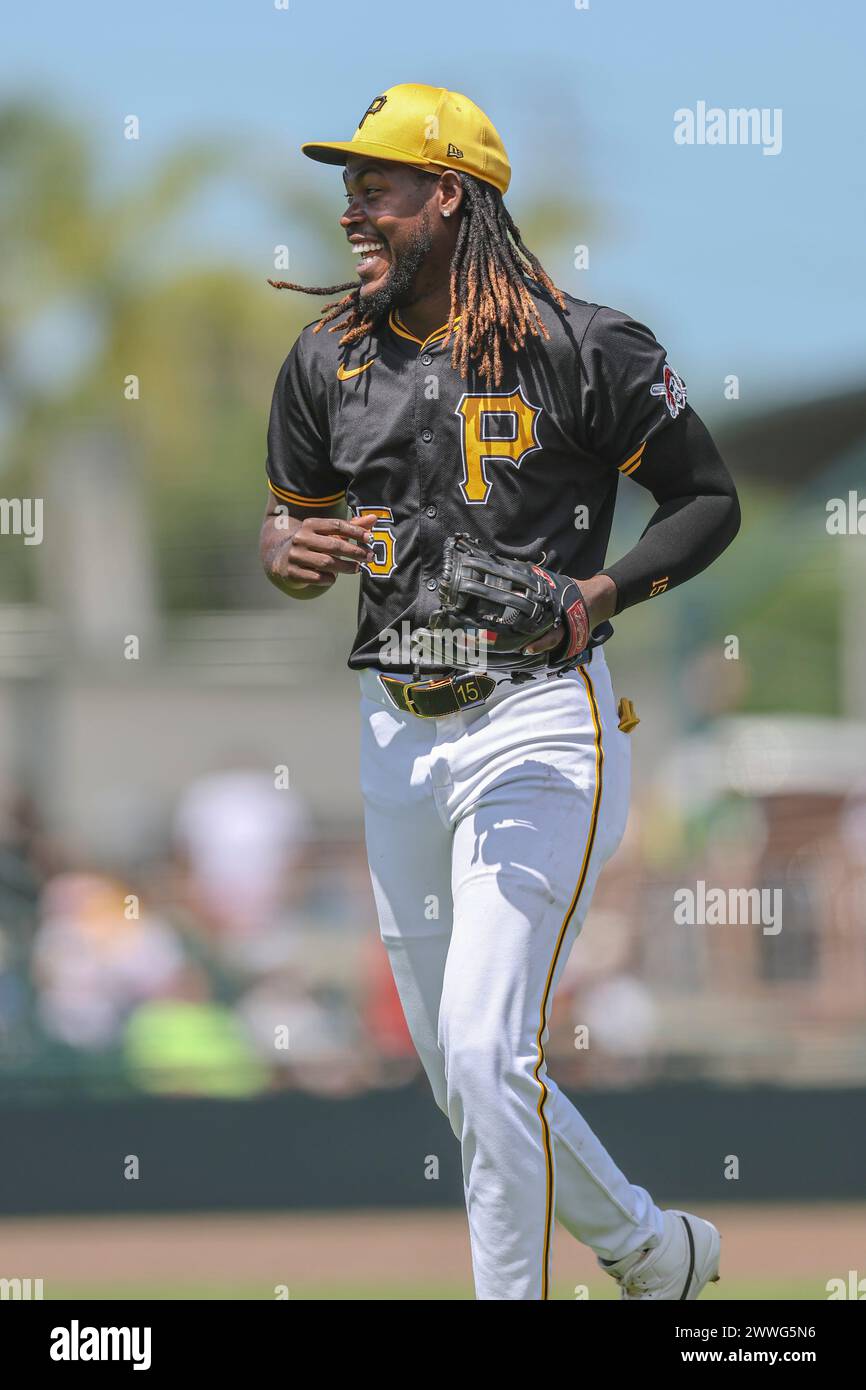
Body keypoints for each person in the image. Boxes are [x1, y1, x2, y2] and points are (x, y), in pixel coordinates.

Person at [259, 84, 740, 1300]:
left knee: (484, 1050)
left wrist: (597, 592)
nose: (351, 210)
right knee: (461, 1071)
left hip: (537, 718)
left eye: (375, 186)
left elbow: (705, 498)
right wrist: (288, 551)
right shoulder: (326, 357)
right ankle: (653, 1253)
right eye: (348, 186)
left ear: (449, 195)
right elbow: (287, 525)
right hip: (396, 732)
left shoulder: (583, 344)